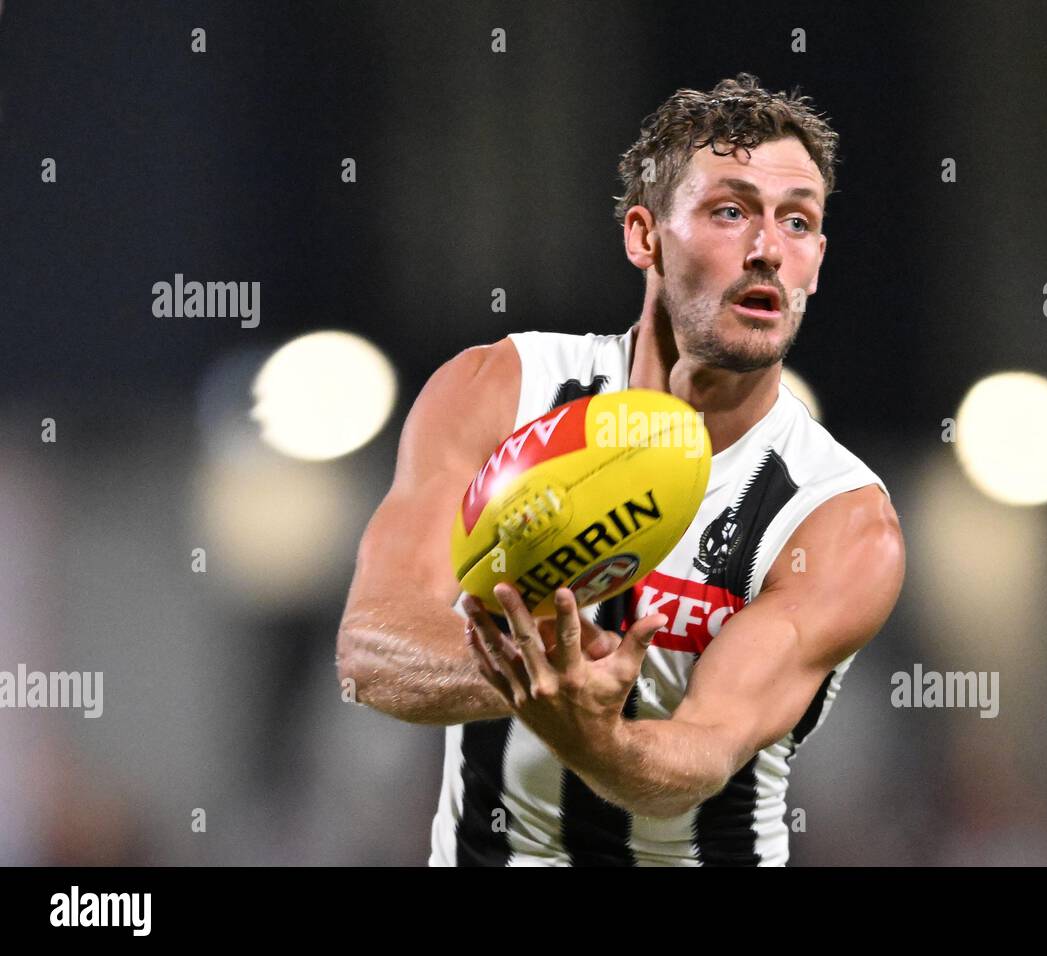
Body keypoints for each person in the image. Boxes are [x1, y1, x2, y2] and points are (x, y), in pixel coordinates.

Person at [336, 73, 905, 866]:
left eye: (799, 222)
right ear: (645, 236)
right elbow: (370, 648)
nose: (768, 249)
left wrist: (589, 728)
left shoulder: (838, 518)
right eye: (730, 211)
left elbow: (700, 759)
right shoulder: (500, 389)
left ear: (816, 260)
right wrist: (535, 671)